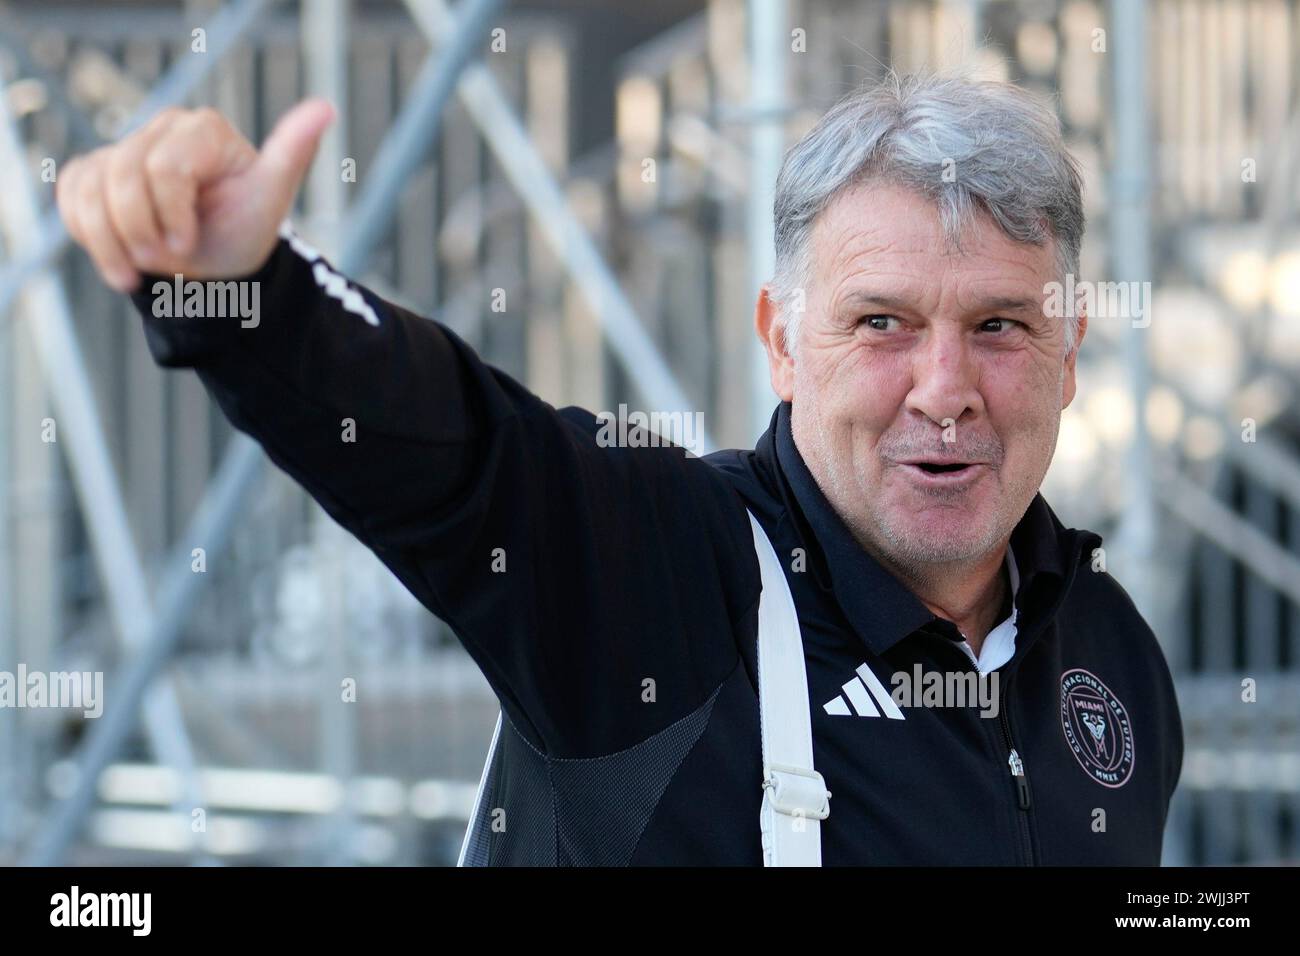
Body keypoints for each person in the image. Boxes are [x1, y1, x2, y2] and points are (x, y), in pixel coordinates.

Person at [56, 69, 1183, 865]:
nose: (944, 388)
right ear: (782, 342)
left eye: (998, 325)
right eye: (882, 322)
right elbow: (461, 452)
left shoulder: (1110, 648)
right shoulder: (661, 572)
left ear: (1069, 352)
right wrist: (251, 297)